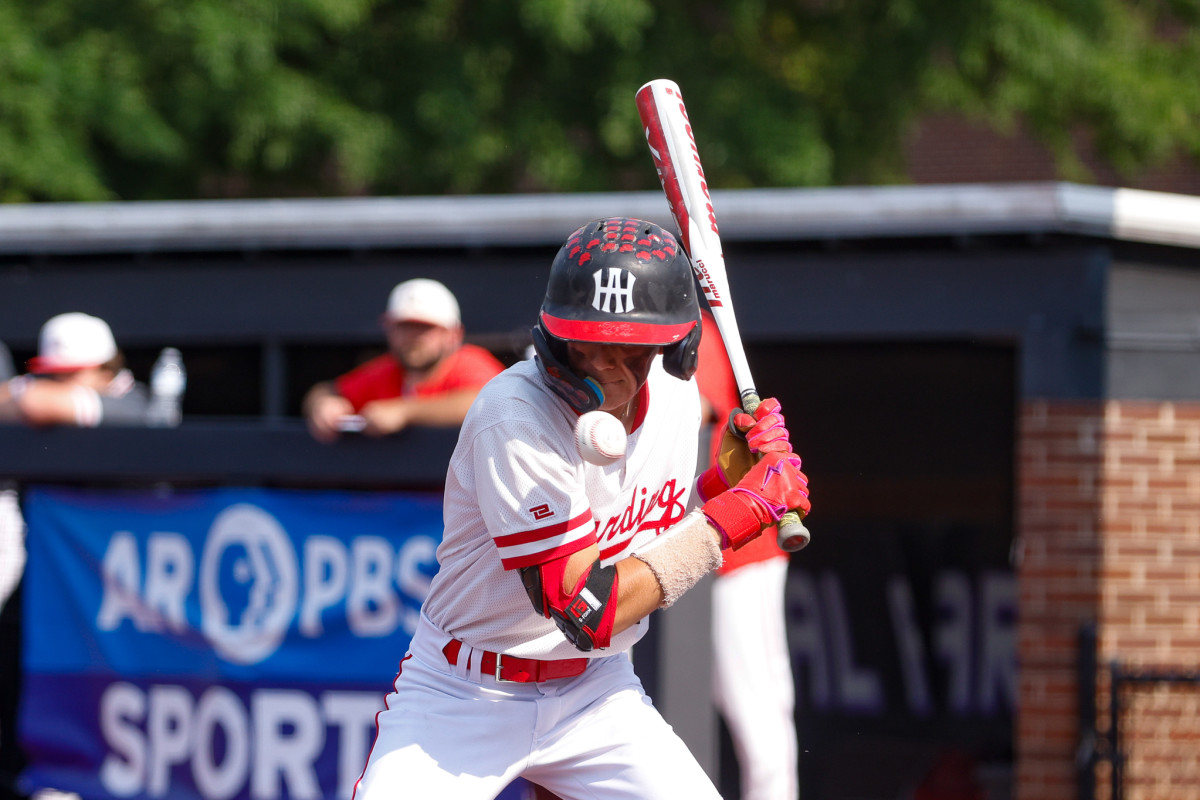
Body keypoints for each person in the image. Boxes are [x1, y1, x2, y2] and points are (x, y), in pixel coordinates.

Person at [352, 217, 811, 799]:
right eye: (585, 342)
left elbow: (653, 524)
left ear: (673, 347)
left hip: (594, 695)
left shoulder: (676, 398)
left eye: (627, 349)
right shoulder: (515, 415)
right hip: (466, 691)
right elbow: (586, 610)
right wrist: (739, 515)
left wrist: (728, 485)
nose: (602, 365)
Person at [694, 309, 800, 800]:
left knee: (754, 700)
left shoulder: (690, 324)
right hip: (695, 542)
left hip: (740, 544)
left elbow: (700, 408)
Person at [303, 278, 505, 442]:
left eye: (425, 328)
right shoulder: (386, 369)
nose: (412, 337)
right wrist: (321, 405)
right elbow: (326, 390)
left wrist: (404, 411)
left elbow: (487, 402)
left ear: (453, 335)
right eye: (404, 327)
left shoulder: (469, 362)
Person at [0, 312, 152, 428]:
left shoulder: (132, 397)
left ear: (105, 373)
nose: (60, 381)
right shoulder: (42, 383)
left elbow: (36, 403)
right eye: (54, 372)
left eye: (72, 373)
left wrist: (22, 397)